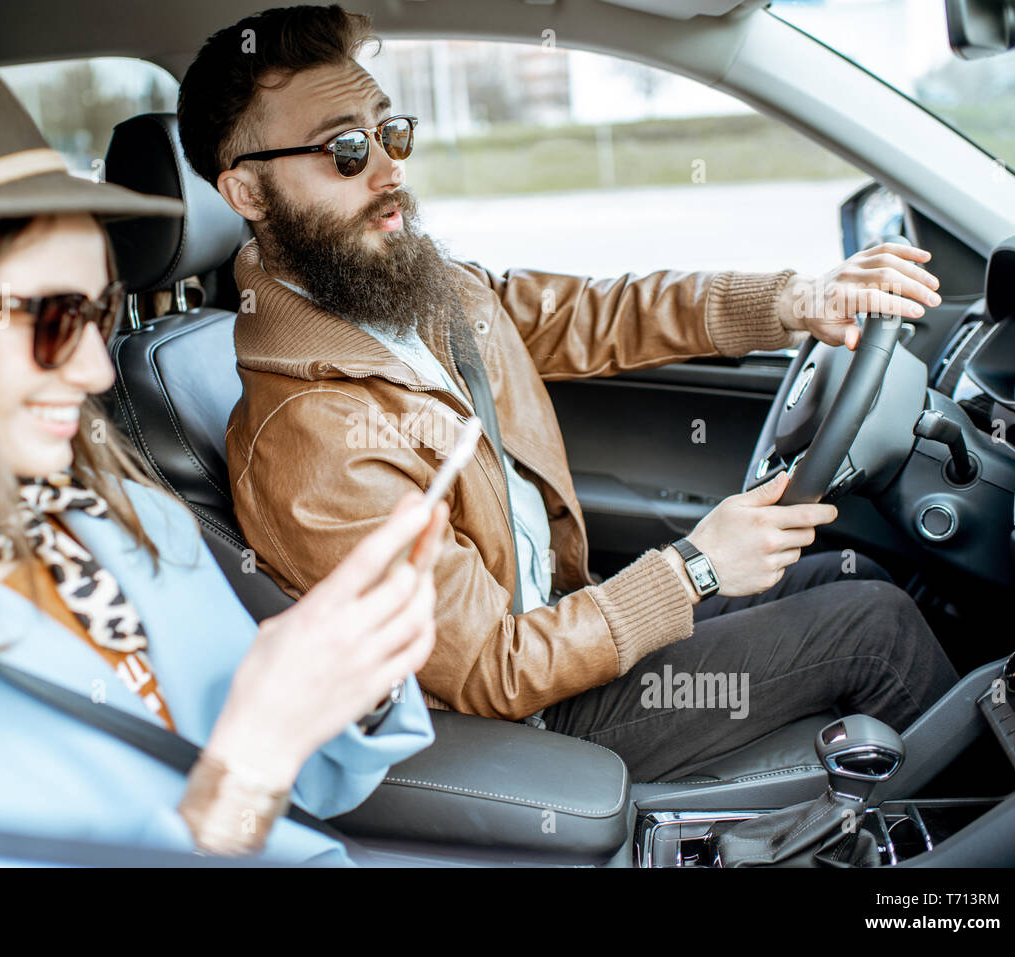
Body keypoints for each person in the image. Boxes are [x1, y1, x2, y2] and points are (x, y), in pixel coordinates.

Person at [177, 4, 960, 780]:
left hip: (558, 628)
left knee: (839, 573)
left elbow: (594, 312)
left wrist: (792, 300)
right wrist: (696, 567)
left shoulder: (404, 290)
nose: (390, 171)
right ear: (246, 193)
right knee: (875, 628)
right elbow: (489, 669)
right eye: (346, 149)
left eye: (392, 131)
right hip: (521, 721)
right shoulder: (311, 436)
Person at [0, 41, 445, 864]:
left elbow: (309, 781)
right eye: (50, 322)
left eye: (101, 313)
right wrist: (246, 769)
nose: (90, 368)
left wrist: (356, 674)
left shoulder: (124, 517)